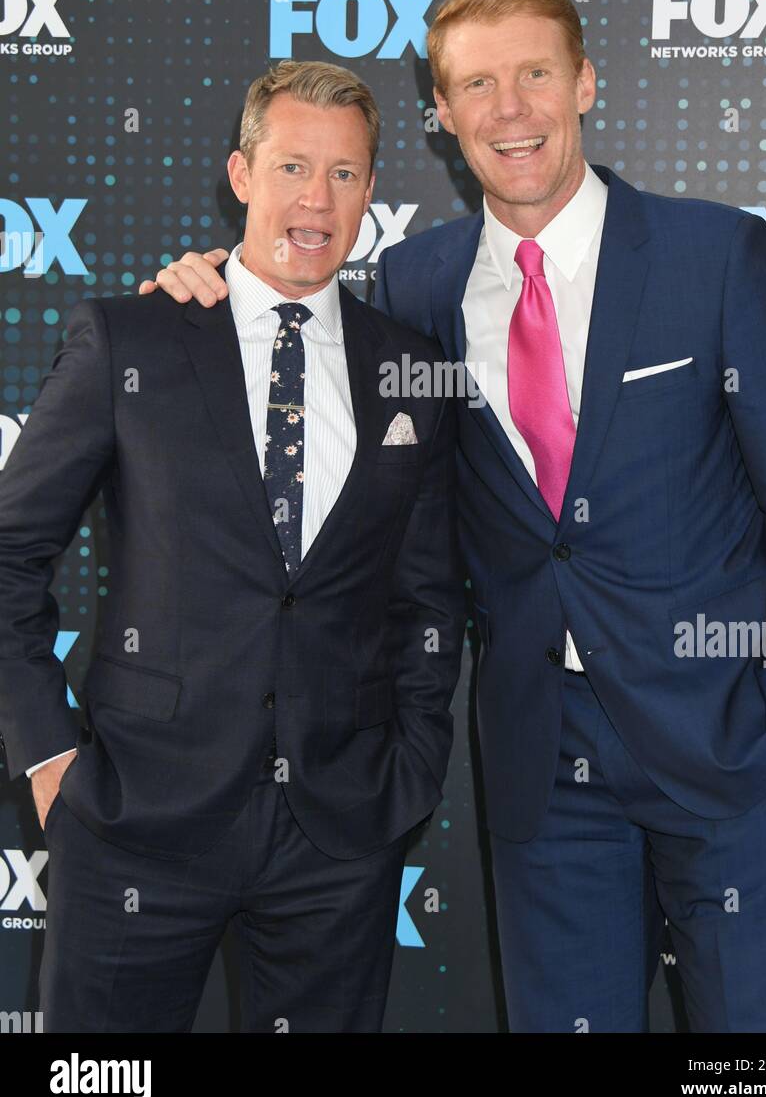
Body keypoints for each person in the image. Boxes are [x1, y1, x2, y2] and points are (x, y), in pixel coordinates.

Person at [142, 0, 766, 1033]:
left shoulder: (712, 256)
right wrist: (199, 291)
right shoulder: (415, 288)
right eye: (475, 84)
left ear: (584, 83)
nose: (507, 108)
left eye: (533, 73)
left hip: (725, 745)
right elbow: (287, 326)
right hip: (542, 762)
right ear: (441, 115)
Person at [0, 59, 464, 1033]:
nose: (316, 198)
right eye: (293, 166)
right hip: (134, 822)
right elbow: (8, 556)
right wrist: (49, 757)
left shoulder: (412, 372)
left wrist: (409, 767)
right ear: (241, 175)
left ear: (372, 189)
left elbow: (426, 599)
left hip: (338, 841)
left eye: (344, 173)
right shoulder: (131, 338)